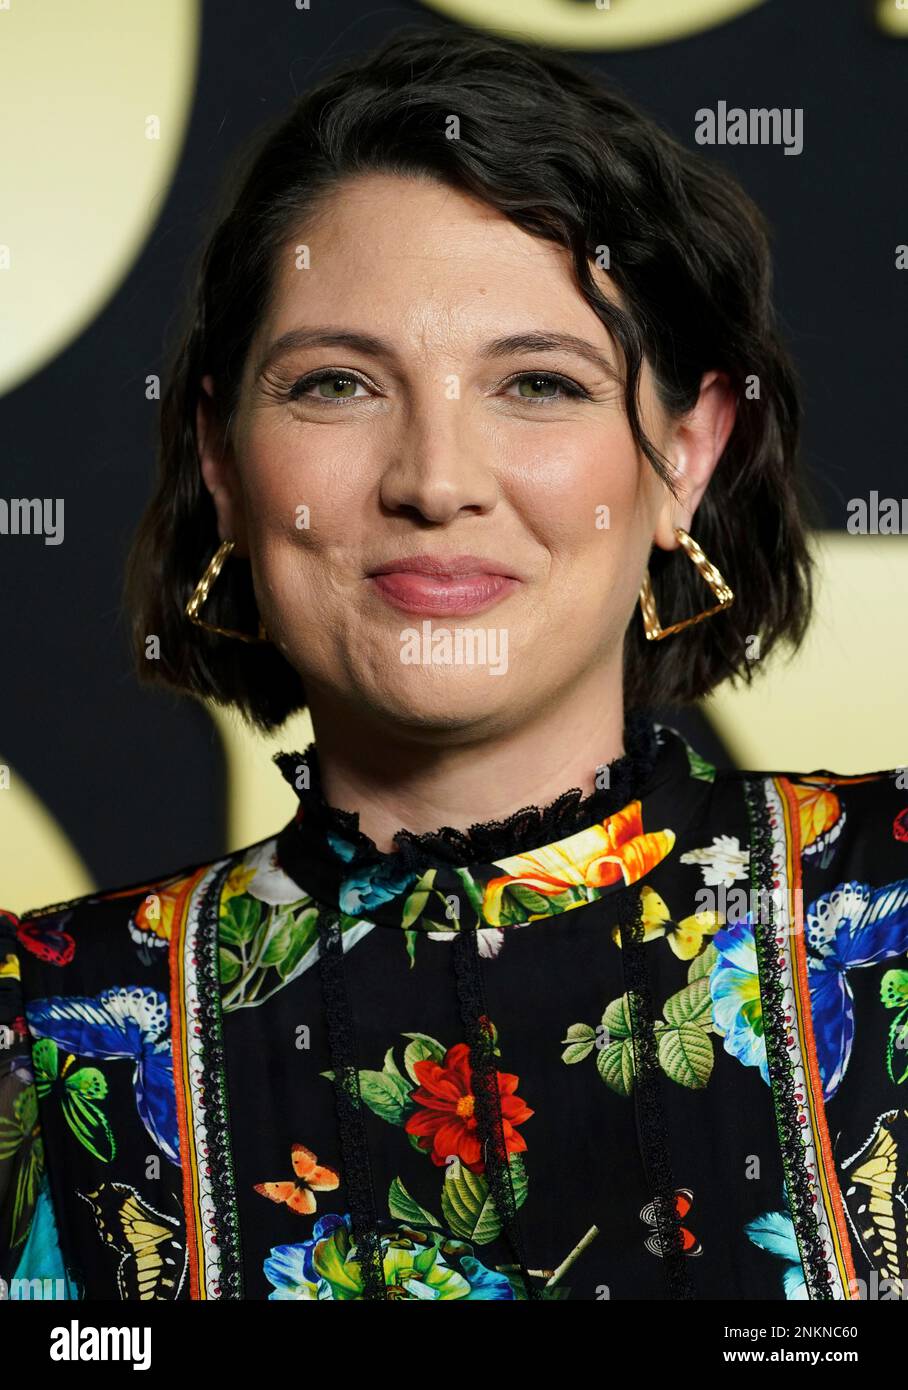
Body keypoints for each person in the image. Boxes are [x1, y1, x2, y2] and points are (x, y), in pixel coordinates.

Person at [2, 25, 905, 1303]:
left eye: (537, 382)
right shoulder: (47, 1036)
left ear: (684, 456)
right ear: (220, 455)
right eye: (335, 384)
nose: (433, 480)